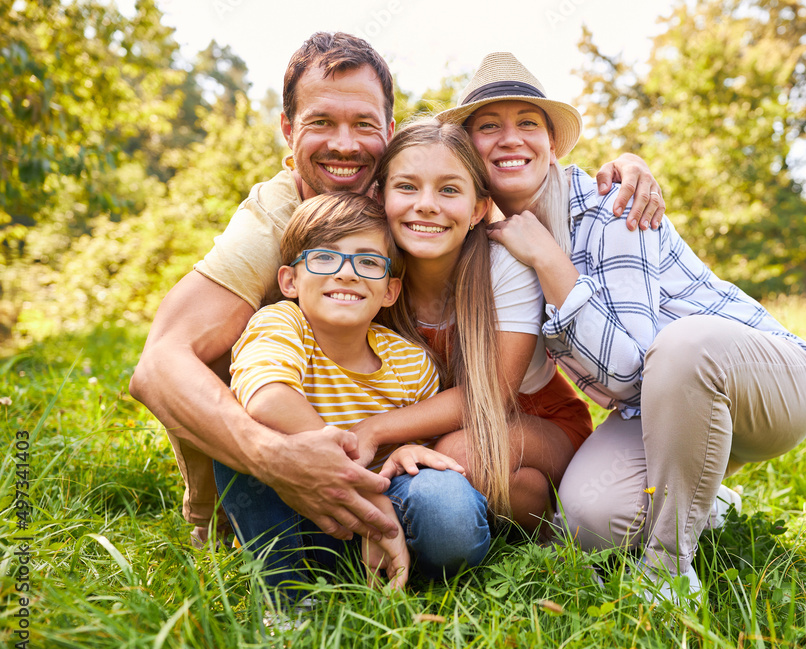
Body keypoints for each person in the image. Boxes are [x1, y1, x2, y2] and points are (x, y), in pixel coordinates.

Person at [129, 31, 667, 550]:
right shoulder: (309, 221)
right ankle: (217, 512)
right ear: (288, 133)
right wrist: (275, 454)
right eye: (321, 122)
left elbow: (523, 174)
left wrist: (627, 166)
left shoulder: (465, 228)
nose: (344, 143)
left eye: (362, 124)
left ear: (387, 132)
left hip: (507, 418)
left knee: (461, 458)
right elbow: (159, 365)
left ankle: (552, 513)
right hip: (418, 418)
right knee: (227, 344)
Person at [437, 52, 806, 601]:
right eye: (488, 127)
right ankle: (706, 498)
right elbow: (638, 396)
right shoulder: (495, 238)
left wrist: (552, 263)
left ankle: (669, 570)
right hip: (657, 411)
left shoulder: (614, 205)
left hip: (769, 381)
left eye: (528, 123)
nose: (510, 140)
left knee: (682, 347)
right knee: (588, 517)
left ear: (552, 143)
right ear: (468, 149)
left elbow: (631, 370)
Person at [213, 192, 489, 598]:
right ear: (290, 281)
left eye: (368, 261)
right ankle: (287, 593)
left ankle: (395, 568)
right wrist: (356, 484)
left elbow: (422, 447)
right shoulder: (282, 323)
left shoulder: (409, 361)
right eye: (325, 258)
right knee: (236, 441)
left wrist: (405, 453)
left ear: (391, 290)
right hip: (297, 518)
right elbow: (267, 398)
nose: (346, 273)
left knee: (446, 502)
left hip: (381, 516)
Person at [343, 119, 593, 529]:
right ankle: (532, 511)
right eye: (406, 187)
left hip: (538, 423)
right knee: (506, 483)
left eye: (449, 190)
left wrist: (375, 429)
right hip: (438, 432)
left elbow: (491, 391)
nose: (426, 204)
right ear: (380, 195)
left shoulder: (502, 265)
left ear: (479, 208)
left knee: (458, 453)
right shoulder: (373, 272)